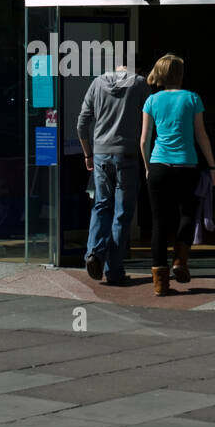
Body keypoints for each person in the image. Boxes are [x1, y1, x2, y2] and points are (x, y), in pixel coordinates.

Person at [140, 55, 215, 297]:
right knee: (188, 214)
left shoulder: (152, 100)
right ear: (180, 75)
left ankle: (160, 284)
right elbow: (201, 135)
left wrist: (147, 167)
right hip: (187, 165)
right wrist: (213, 168)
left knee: (159, 223)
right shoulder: (192, 98)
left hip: (159, 166)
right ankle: (180, 261)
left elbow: (144, 139)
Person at [77, 61, 148, 286]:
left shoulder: (97, 83)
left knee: (101, 205)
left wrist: (88, 153)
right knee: (122, 214)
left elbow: (81, 124)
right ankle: (114, 270)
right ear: (135, 67)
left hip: (100, 155)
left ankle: (93, 253)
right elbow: (150, 123)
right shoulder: (139, 84)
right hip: (127, 155)